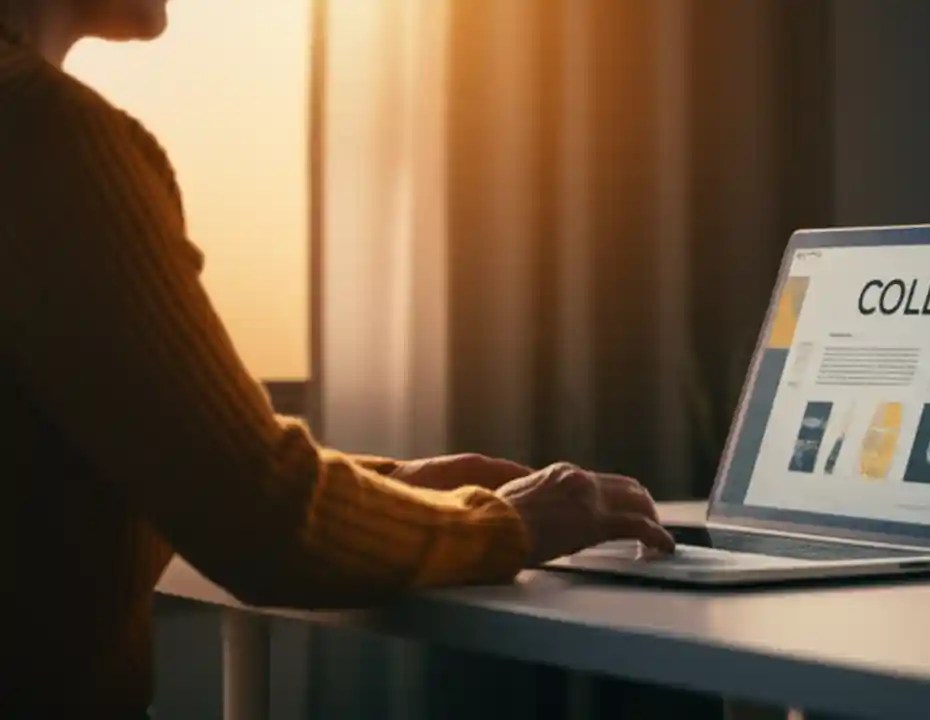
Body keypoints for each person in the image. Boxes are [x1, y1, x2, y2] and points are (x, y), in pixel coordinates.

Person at [0, 0, 675, 715]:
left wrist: (393, 489)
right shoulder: (47, 137)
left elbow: (149, 454)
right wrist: (506, 527)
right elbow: (261, 522)